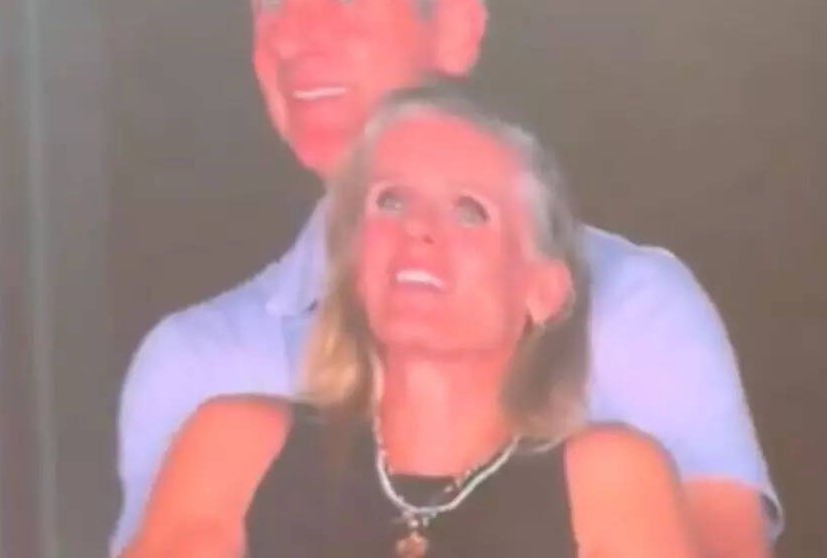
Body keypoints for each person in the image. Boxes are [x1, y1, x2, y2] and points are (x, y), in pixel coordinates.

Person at [112, 0, 780, 556]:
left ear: (456, 29)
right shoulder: (200, 371)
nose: (292, 39)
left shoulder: (636, 306)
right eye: (269, 0)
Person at [123, 84, 700, 558]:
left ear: (543, 291)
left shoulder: (607, 478)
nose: (417, 228)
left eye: (469, 211)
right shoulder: (239, 446)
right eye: (391, 202)